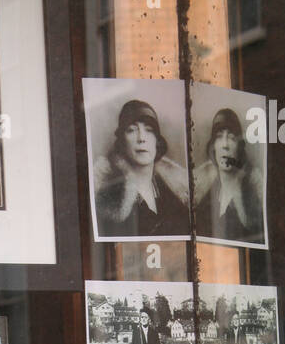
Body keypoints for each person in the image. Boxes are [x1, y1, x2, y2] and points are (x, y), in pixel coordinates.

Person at [93, 98, 189, 239]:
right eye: (131, 130)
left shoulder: (176, 198)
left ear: (157, 142)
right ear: (122, 142)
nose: (141, 138)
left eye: (149, 130)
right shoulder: (108, 200)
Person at [194, 107, 265, 246]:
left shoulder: (253, 191)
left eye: (231, 138)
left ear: (239, 147)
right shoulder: (205, 199)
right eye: (219, 137)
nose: (225, 145)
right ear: (213, 147)